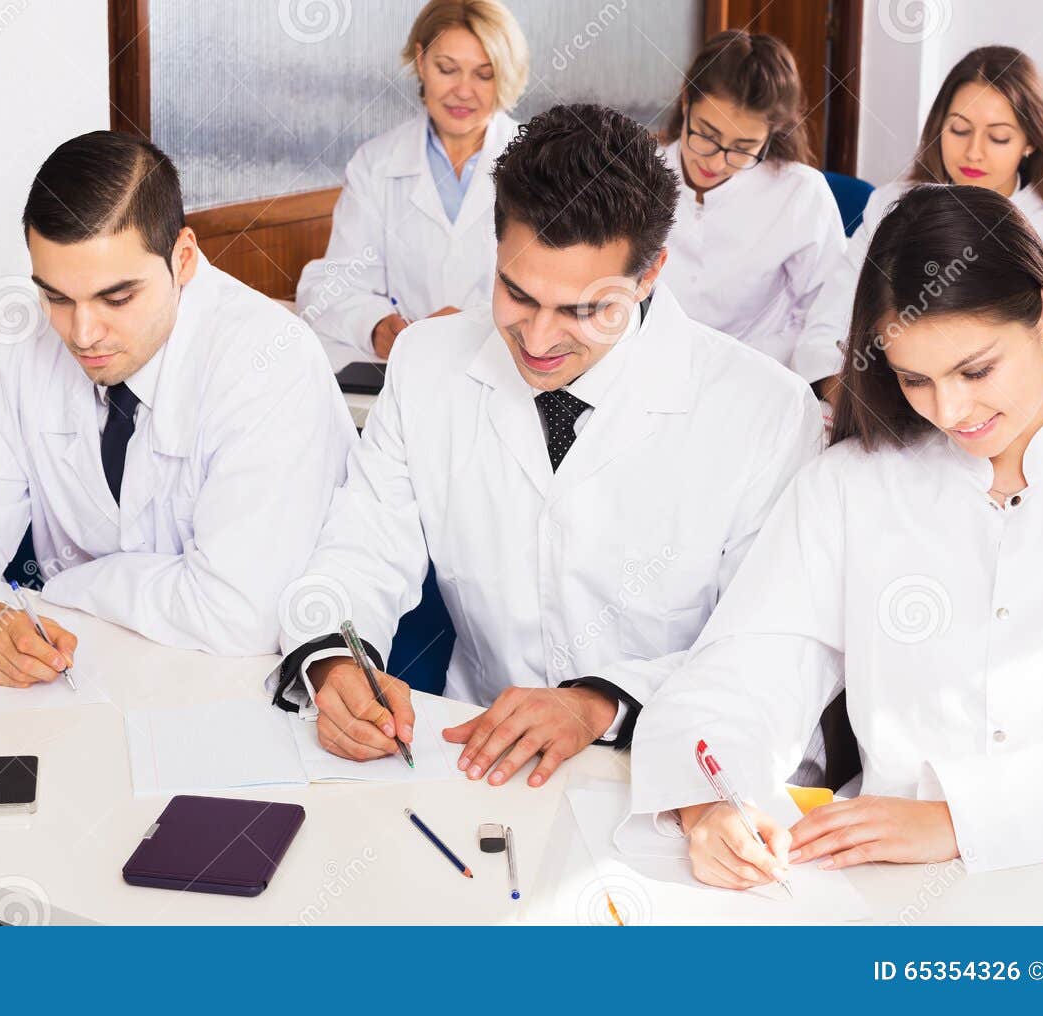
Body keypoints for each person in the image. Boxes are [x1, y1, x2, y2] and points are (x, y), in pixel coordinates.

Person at [630, 185, 1043, 888]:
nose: (949, 410)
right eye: (914, 379)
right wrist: (715, 797)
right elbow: (750, 665)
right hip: (896, 893)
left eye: (976, 369)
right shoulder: (853, 484)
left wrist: (959, 817)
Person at [270, 104, 822, 789]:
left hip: (681, 773)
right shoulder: (427, 363)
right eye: (517, 293)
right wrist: (333, 658)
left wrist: (597, 703)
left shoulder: (765, 412)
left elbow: (769, 650)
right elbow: (361, 549)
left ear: (650, 274)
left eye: (584, 310)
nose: (536, 341)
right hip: (479, 770)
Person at [0, 131, 355, 684]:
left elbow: (240, 614)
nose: (82, 333)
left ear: (182, 259)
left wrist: (58, 588)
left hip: (234, 690)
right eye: (57, 297)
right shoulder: (20, 345)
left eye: (117, 298)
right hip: (81, 675)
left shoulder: (268, 361)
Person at [795, 46, 1043, 389]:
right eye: (959, 130)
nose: (973, 152)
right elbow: (824, 335)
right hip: (894, 411)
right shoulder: (891, 206)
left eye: (998, 137)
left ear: (1030, 142)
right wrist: (857, 402)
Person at [296, 0, 528, 359]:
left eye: (484, 75)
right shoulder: (377, 164)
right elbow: (331, 286)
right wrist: (375, 326)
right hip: (410, 369)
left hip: (511, 369)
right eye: (447, 69)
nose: (463, 91)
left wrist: (475, 326)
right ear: (421, 61)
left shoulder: (539, 163)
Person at [657, 30, 844, 370]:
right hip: (647, 368)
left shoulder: (800, 193)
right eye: (706, 136)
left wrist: (739, 366)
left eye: (743, 149)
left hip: (759, 374)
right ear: (686, 103)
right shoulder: (637, 174)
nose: (715, 163)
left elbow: (827, 313)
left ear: (772, 133)